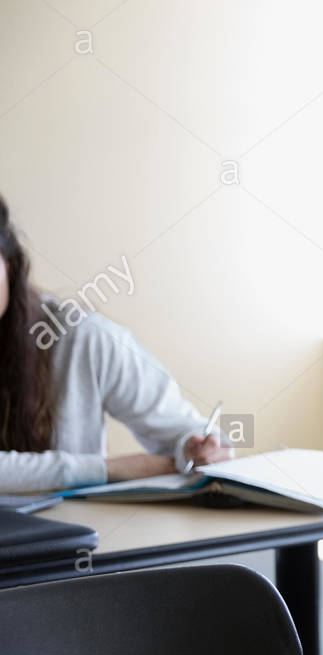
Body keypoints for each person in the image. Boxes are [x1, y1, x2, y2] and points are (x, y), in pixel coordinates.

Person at [0, 194, 231, 494]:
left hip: (71, 534)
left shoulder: (78, 337)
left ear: (12, 265)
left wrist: (198, 447)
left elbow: (182, 429)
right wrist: (106, 470)